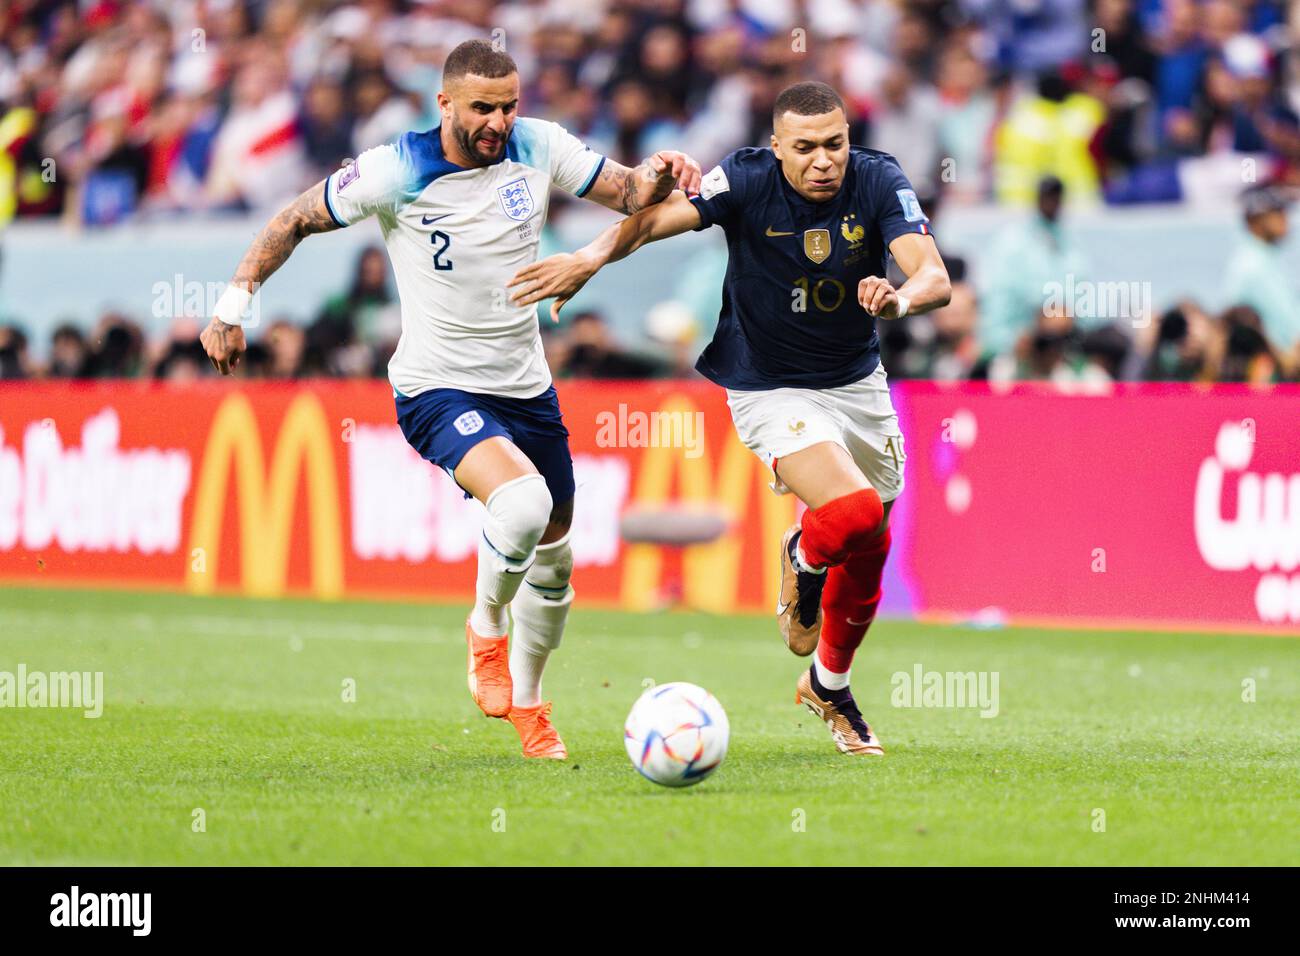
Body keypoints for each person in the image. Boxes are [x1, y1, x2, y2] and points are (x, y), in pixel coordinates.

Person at [200, 39, 701, 760]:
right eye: (482, 109)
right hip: (437, 384)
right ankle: (484, 627)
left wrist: (660, 171)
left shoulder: (536, 144)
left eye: (507, 106)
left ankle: (531, 708)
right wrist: (231, 307)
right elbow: (292, 221)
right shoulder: (394, 167)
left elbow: (629, 194)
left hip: (526, 387)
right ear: (445, 105)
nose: (498, 121)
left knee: (556, 564)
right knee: (521, 504)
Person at [510, 81, 951, 756]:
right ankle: (802, 555)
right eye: (805, 148)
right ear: (778, 148)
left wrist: (898, 299)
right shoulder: (745, 178)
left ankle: (829, 685)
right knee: (855, 512)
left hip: (858, 383)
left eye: (835, 143)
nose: (824, 160)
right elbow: (656, 220)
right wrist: (589, 259)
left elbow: (933, 277)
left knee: (872, 544)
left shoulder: (878, 178)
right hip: (769, 386)